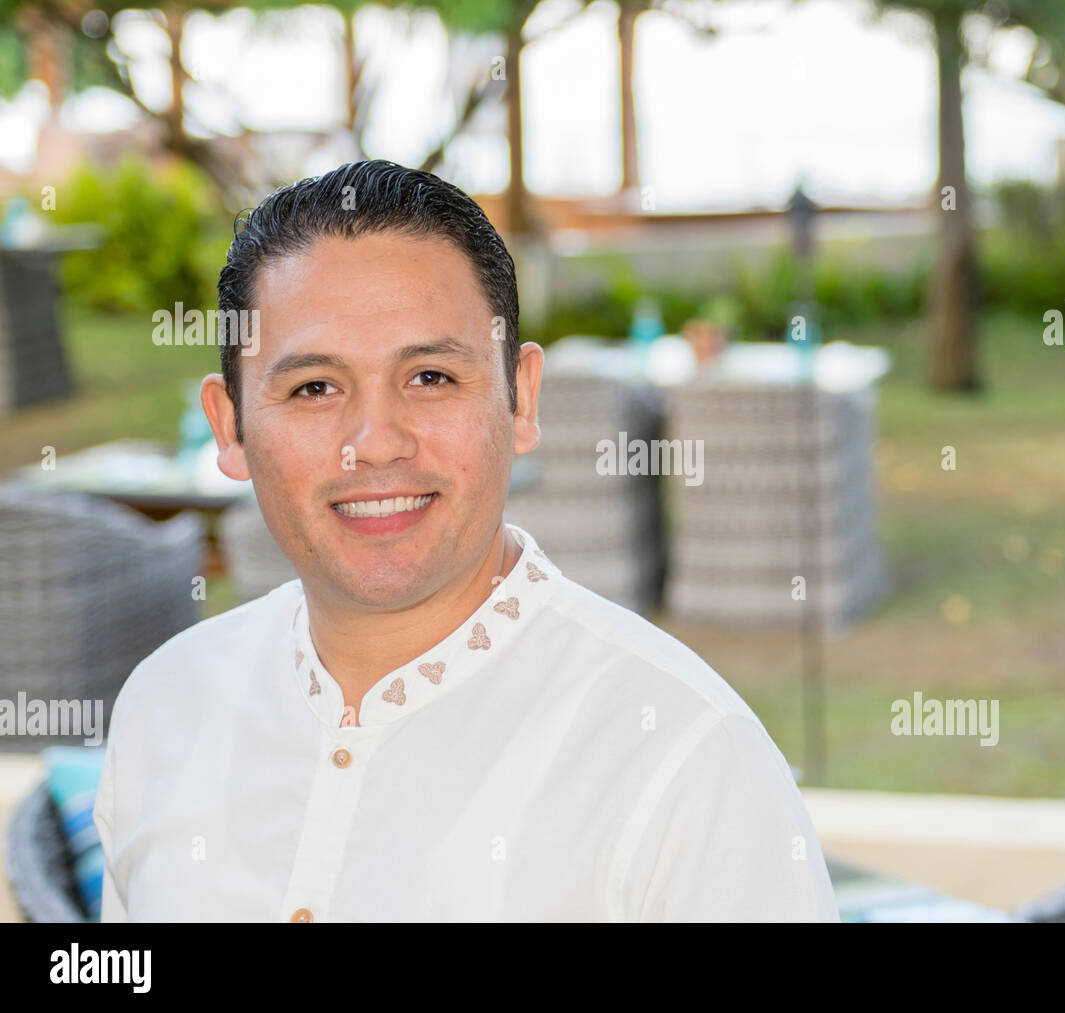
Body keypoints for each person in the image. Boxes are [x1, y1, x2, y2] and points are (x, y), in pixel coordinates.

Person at [92, 160, 839, 922]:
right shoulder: (166, 705)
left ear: (521, 400)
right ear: (231, 427)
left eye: (431, 377)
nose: (375, 443)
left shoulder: (685, 759)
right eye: (314, 387)